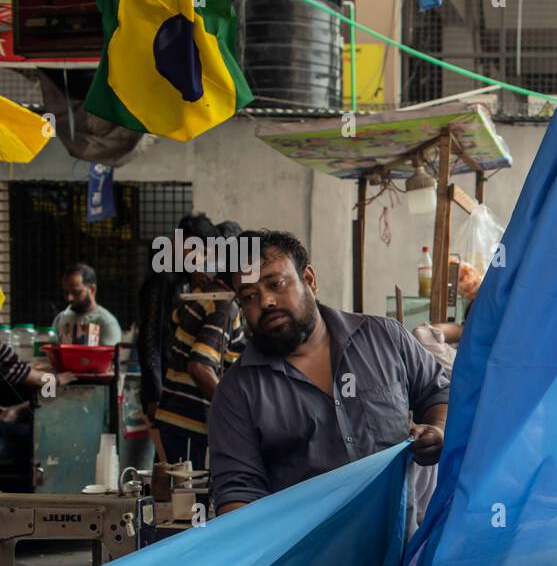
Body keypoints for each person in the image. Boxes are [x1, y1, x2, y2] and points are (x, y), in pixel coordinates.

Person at [208, 229, 450, 515]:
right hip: (309, 557)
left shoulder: (384, 338)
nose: (265, 302)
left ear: (309, 279)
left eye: (276, 283)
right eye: (249, 296)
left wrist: (438, 429)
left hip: (402, 546)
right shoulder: (236, 393)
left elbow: (439, 391)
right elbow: (238, 493)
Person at [151, 226, 246, 469]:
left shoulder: (201, 296)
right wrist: (235, 413)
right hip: (192, 422)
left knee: (180, 500)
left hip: (176, 421)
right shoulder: (223, 305)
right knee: (192, 501)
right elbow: (200, 366)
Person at [138, 213, 217, 424]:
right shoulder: (162, 279)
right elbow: (149, 337)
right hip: (163, 386)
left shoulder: (188, 278)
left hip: (180, 385)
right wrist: (153, 393)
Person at [53, 263, 122, 346]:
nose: (69, 298)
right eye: (66, 292)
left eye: (76, 292)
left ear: (92, 289)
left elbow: (112, 357)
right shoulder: (60, 319)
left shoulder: (106, 322)